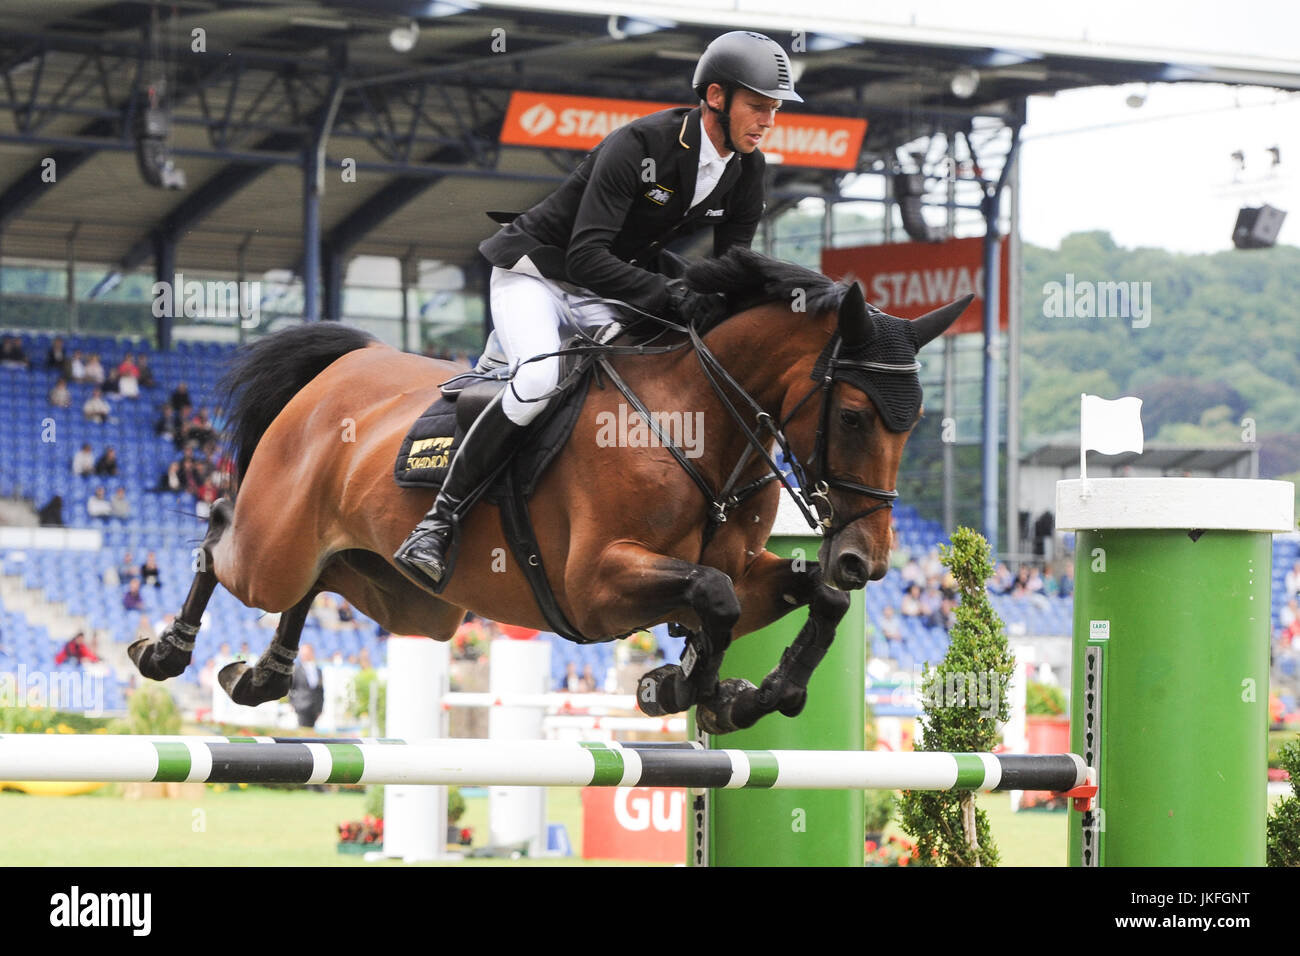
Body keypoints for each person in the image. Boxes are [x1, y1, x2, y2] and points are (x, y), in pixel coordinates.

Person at [395, 30, 801, 585]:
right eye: (758, 106)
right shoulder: (640, 145)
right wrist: (671, 295)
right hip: (538, 273)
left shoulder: (746, 170)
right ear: (715, 97)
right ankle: (438, 524)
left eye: (774, 110)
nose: (767, 121)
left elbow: (730, 269)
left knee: (651, 373)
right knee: (540, 382)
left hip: (612, 286)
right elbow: (585, 256)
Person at [290, 644, 326, 729]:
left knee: (311, 732)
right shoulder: (297, 670)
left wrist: (320, 708)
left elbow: (320, 691)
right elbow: (291, 688)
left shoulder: (318, 670)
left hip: (314, 708)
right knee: (302, 731)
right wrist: (292, 703)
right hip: (301, 706)